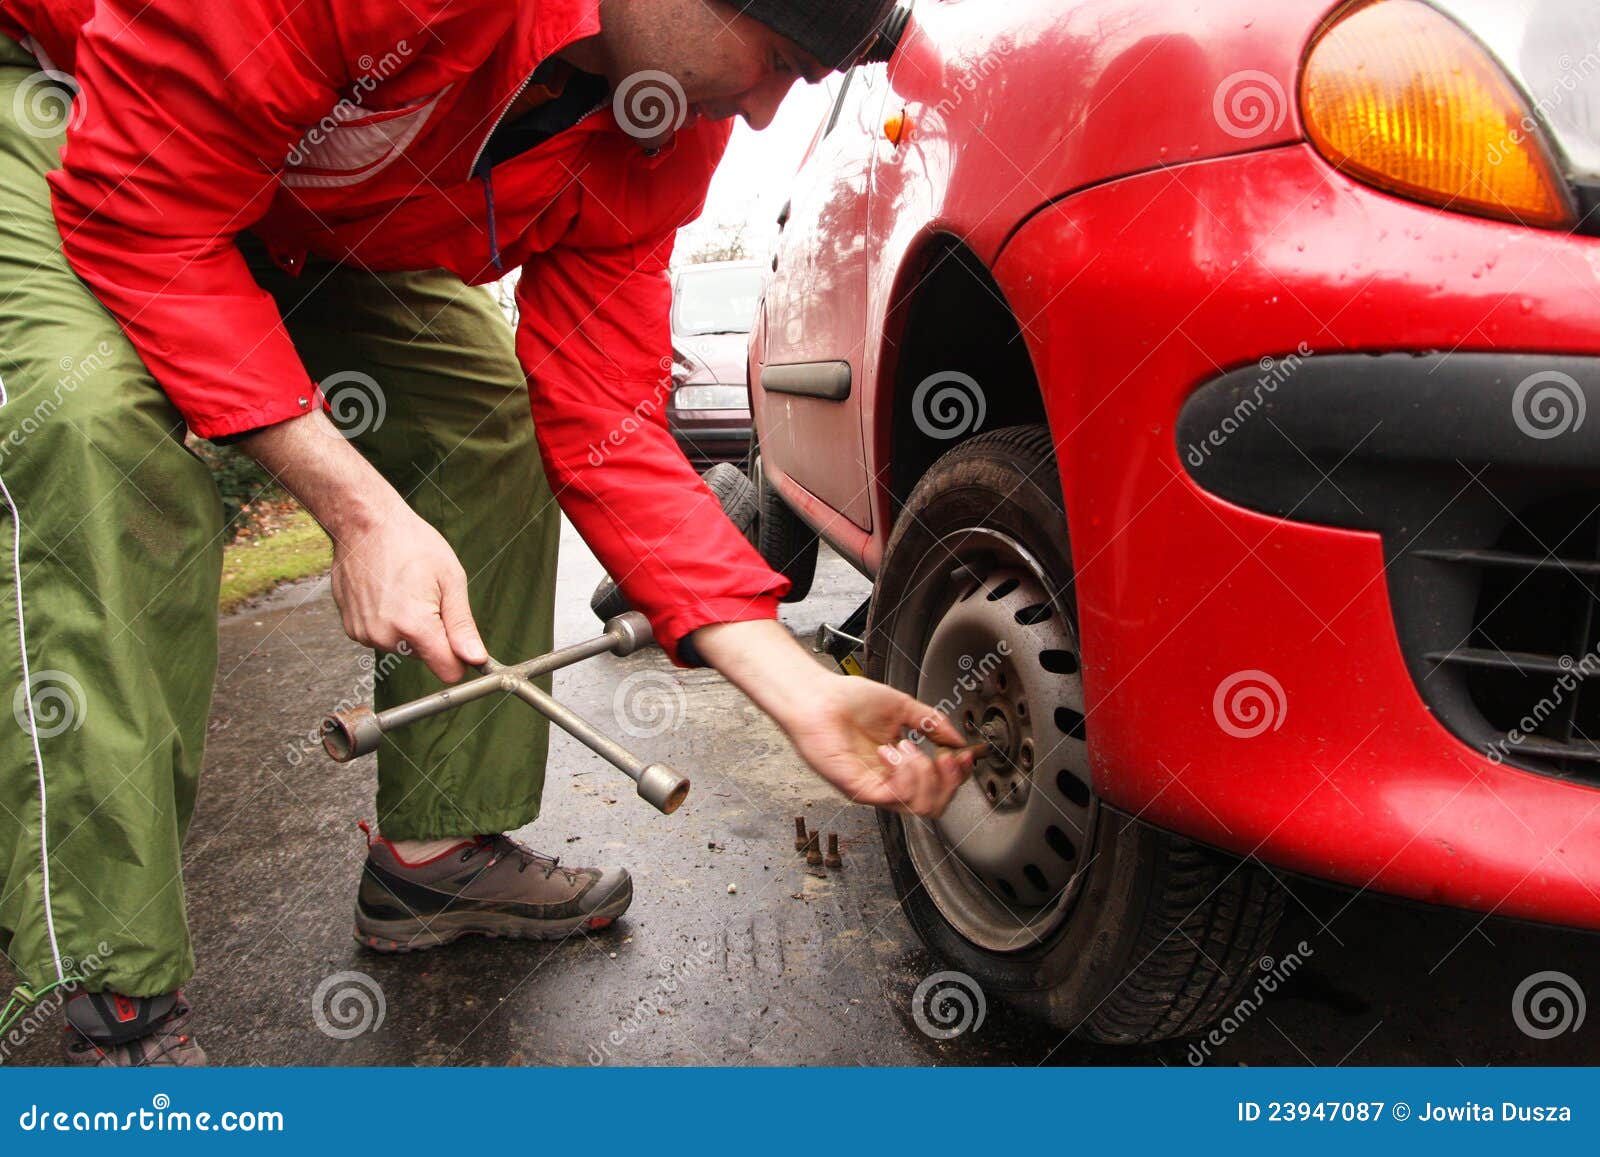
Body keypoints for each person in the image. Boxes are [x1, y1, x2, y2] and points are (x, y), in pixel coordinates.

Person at [0, 0, 974, 1066]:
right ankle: (110, 991)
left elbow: (603, 418)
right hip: (83, 111)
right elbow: (144, 215)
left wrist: (800, 689)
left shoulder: (661, 131)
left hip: (290, 212)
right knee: (94, 426)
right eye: (776, 59)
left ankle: (437, 851)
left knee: (487, 410)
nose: (756, 113)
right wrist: (358, 508)